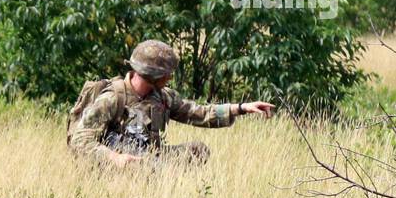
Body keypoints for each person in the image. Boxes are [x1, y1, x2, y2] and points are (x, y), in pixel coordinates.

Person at [68, 39, 275, 166]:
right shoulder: (112, 98)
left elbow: (198, 112)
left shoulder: (163, 96)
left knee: (197, 151)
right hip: (116, 167)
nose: (170, 78)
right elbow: (81, 141)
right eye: (167, 73)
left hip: (148, 158)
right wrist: (115, 158)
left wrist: (241, 108)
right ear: (152, 74)